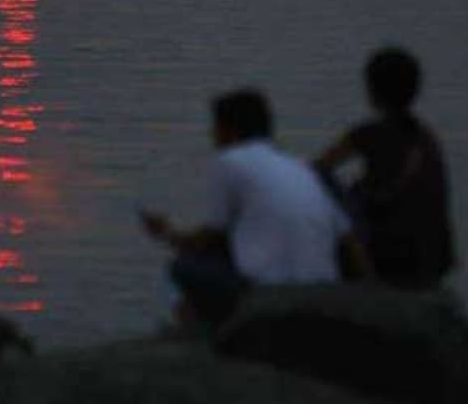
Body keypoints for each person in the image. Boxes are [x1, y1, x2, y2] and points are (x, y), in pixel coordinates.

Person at [141, 88, 371, 327]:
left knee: (180, 268)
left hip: (270, 294)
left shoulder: (228, 162)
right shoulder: (300, 169)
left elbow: (209, 238)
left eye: (215, 128)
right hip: (322, 289)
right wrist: (369, 289)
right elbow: (349, 240)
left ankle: (200, 337)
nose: (211, 135)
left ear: (228, 130)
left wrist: (167, 233)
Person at [314, 47, 455, 290]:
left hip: (389, 252)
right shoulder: (426, 138)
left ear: (372, 90)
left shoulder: (369, 134)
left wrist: (349, 192)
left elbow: (318, 169)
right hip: (431, 257)